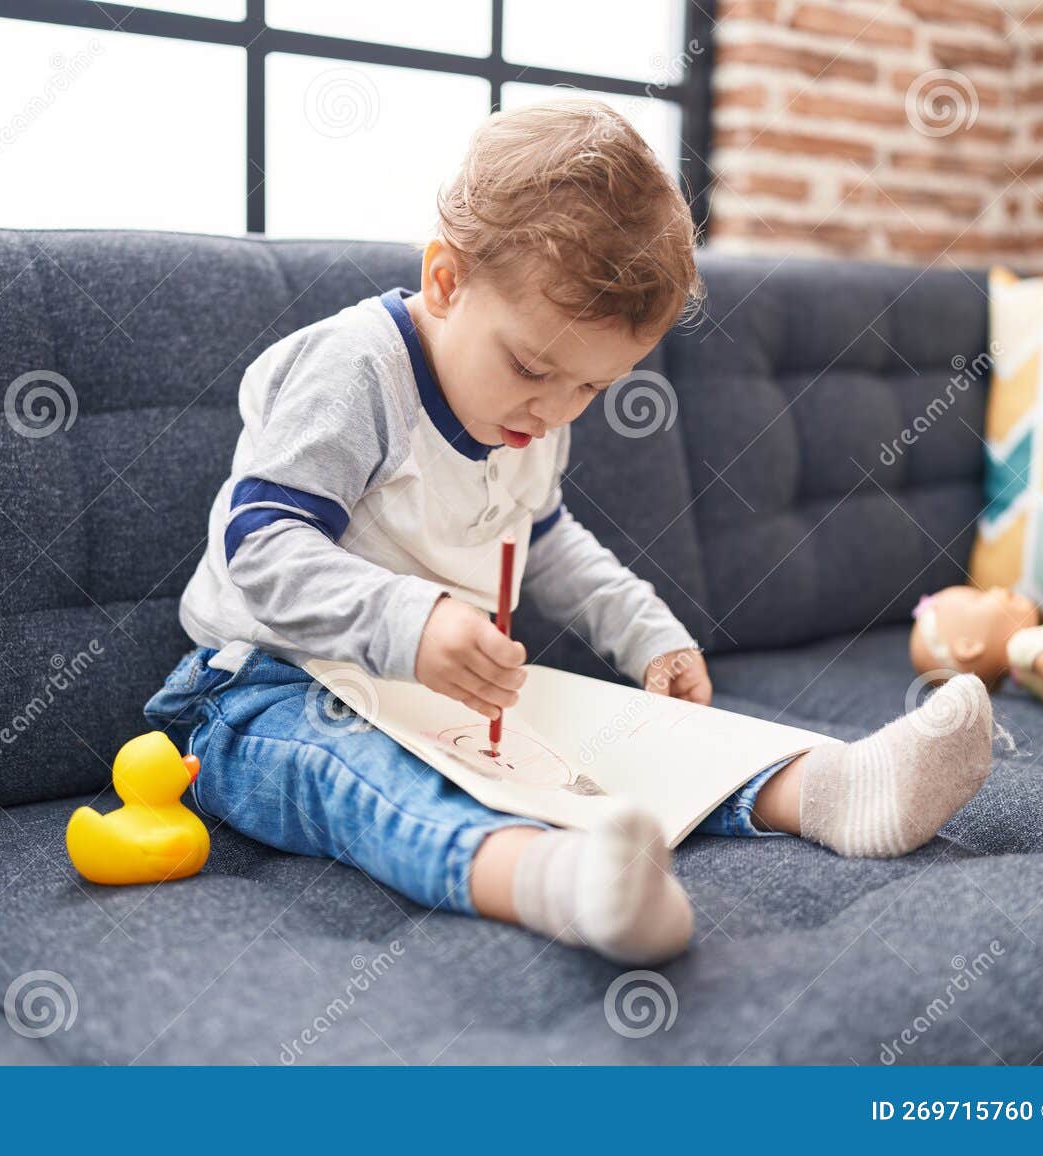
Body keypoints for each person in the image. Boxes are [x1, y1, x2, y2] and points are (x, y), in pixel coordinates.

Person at [146, 100, 995, 965]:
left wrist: (645, 634)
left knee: (624, 733)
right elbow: (261, 545)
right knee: (356, 771)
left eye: (590, 389)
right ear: (446, 282)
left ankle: (830, 788)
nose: (553, 411)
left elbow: (548, 542)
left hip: (442, 699)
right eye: (531, 367)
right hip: (259, 692)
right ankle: (558, 880)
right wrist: (413, 620)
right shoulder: (359, 370)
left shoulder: (532, 411)